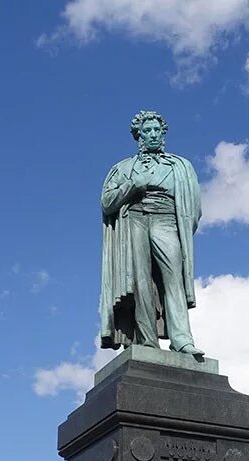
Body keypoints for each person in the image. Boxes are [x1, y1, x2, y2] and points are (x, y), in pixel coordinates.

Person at [98, 110, 204, 356]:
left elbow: (194, 207)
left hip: (167, 220)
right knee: (139, 281)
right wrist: (133, 185)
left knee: (173, 278)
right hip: (134, 219)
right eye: (148, 131)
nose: (154, 135)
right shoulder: (123, 168)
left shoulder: (180, 166)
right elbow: (106, 202)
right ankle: (147, 341)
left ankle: (182, 340)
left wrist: (182, 228)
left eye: (157, 130)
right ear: (139, 136)